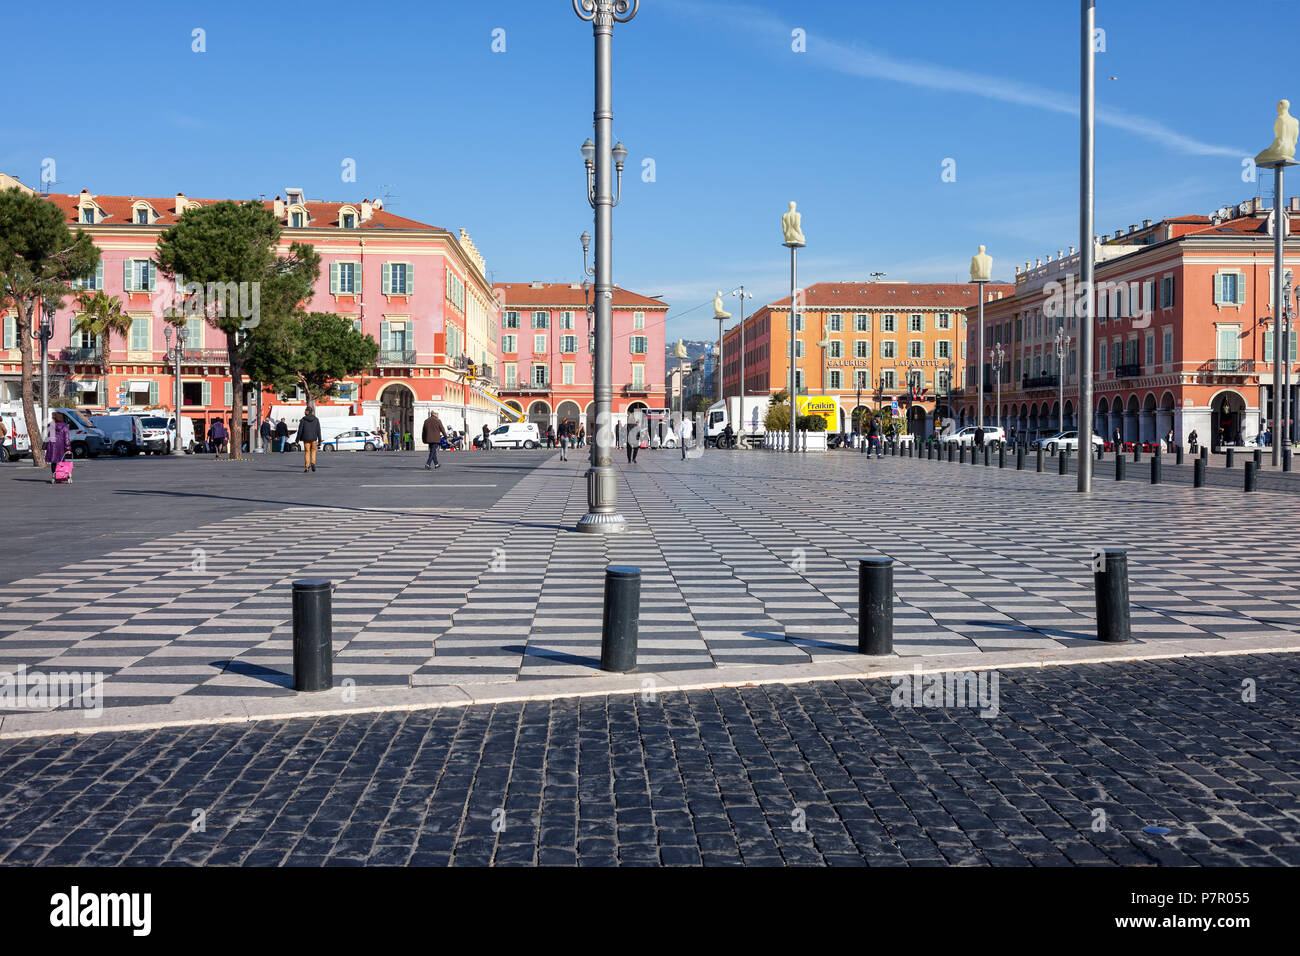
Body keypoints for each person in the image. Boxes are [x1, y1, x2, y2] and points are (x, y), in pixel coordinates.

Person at [44, 412, 70, 480]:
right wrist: (68, 448)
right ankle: (61, 476)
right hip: (61, 446)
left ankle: (54, 475)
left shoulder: (51, 425)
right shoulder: (65, 426)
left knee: (53, 462)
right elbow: (66, 438)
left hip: (52, 446)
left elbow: (49, 436)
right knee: (61, 461)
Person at [297, 406, 321, 473]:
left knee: (307, 452)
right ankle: (313, 463)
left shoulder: (303, 420)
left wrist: (297, 440)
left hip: (306, 438)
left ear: (307, 411)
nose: (304, 412)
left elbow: (300, 430)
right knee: (313, 451)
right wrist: (319, 440)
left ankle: (307, 467)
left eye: (305, 410)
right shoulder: (316, 419)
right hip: (314, 438)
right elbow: (318, 430)